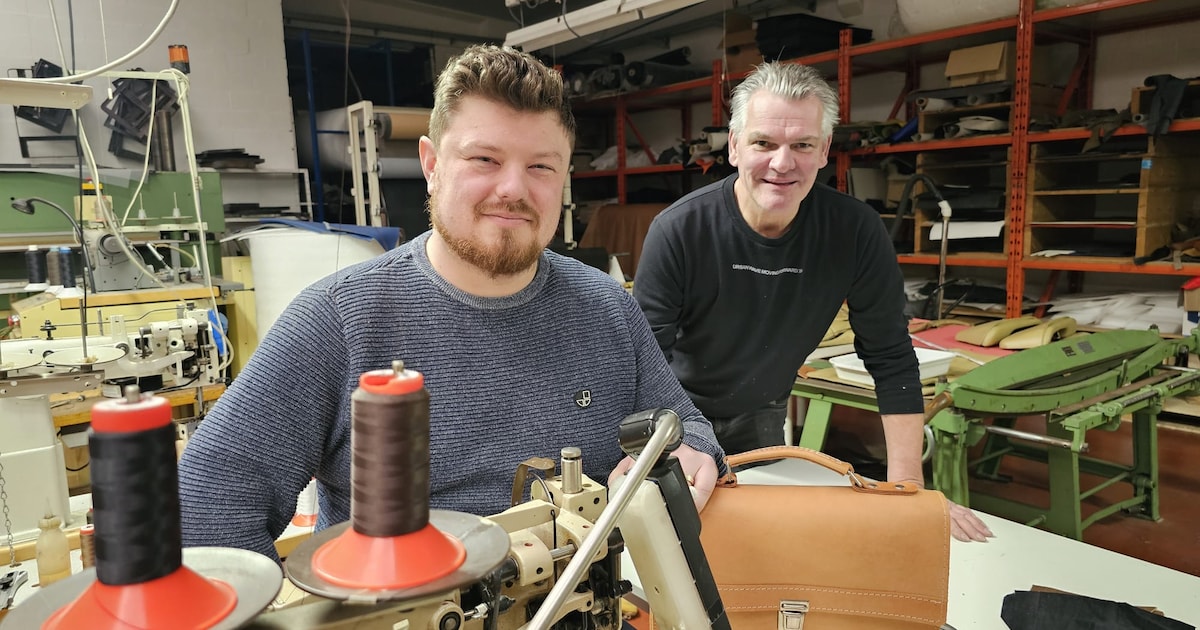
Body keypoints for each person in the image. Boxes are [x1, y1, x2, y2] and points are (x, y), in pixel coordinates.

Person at [177, 45, 725, 562]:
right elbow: (206, 508)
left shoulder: (607, 307)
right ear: (431, 164)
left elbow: (685, 427)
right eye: (484, 158)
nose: (513, 189)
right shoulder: (339, 321)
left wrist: (692, 454)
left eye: (541, 166)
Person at [633, 61, 992, 543]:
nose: (783, 164)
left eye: (802, 145)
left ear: (823, 150)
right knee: (673, 550)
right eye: (764, 143)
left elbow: (890, 357)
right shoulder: (679, 230)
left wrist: (908, 489)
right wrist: (673, 444)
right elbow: (640, 360)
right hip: (675, 416)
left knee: (765, 547)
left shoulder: (855, 231)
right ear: (735, 147)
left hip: (760, 417)